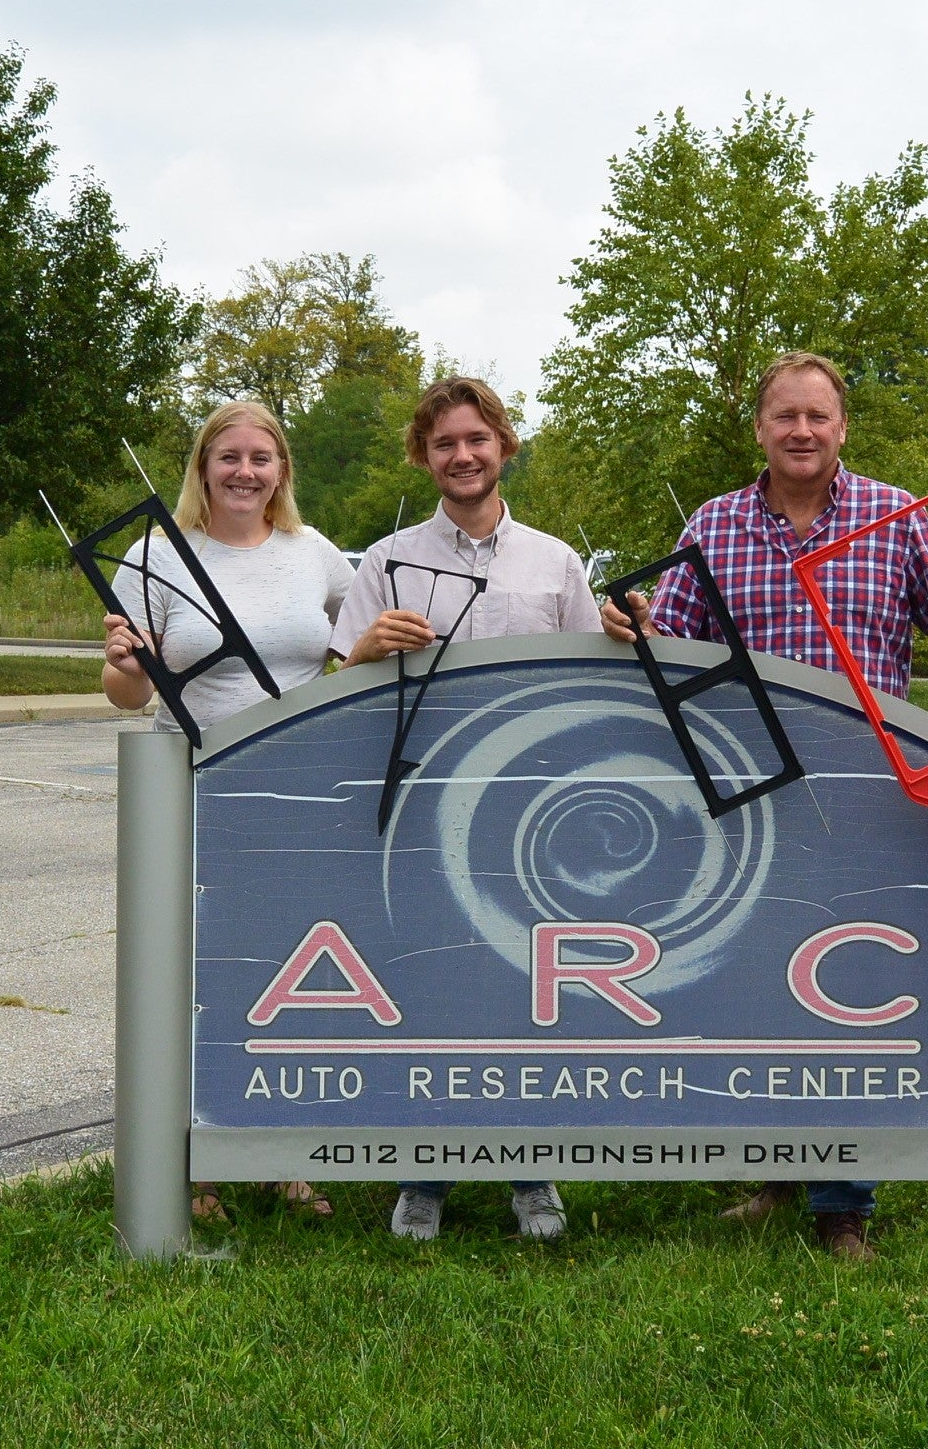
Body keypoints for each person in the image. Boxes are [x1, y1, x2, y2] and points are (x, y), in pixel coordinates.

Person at [602, 350, 928, 1262]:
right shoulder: (717, 524)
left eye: (818, 416)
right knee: (763, 987)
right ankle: (781, 1174)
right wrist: (635, 622)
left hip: (866, 793)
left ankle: (842, 1204)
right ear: (761, 428)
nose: (802, 431)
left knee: (852, 990)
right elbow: (679, 646)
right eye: (786, 417)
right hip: (751, 794)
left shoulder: (894, 516)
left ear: (842, 427)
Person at [331, 374, 603, 1243]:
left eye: (476, 440)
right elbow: (341, 693)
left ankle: (533, 1178)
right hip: (422, 812)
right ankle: (425, 1179)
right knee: (432, 989)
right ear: (425, 455)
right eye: (444, 443)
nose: (462, 456)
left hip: (533, 820)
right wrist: (368, 648)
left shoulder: (557, 563)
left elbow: (594, 688)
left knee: (530, 995)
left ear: (503, 447)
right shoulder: (387, 560)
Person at [102, 398, 354, 1223]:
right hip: (194, 791)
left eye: (262, 457)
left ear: (282, 469)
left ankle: (285, 1157)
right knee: (197, 979)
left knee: (288, 976)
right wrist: (125, 664)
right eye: (229, 457)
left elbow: (354, 654)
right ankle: (196, 1168)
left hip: (297, 792)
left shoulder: (313, 555)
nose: (246, 472)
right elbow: (125, 695)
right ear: (202, 466)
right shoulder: (155, 556)